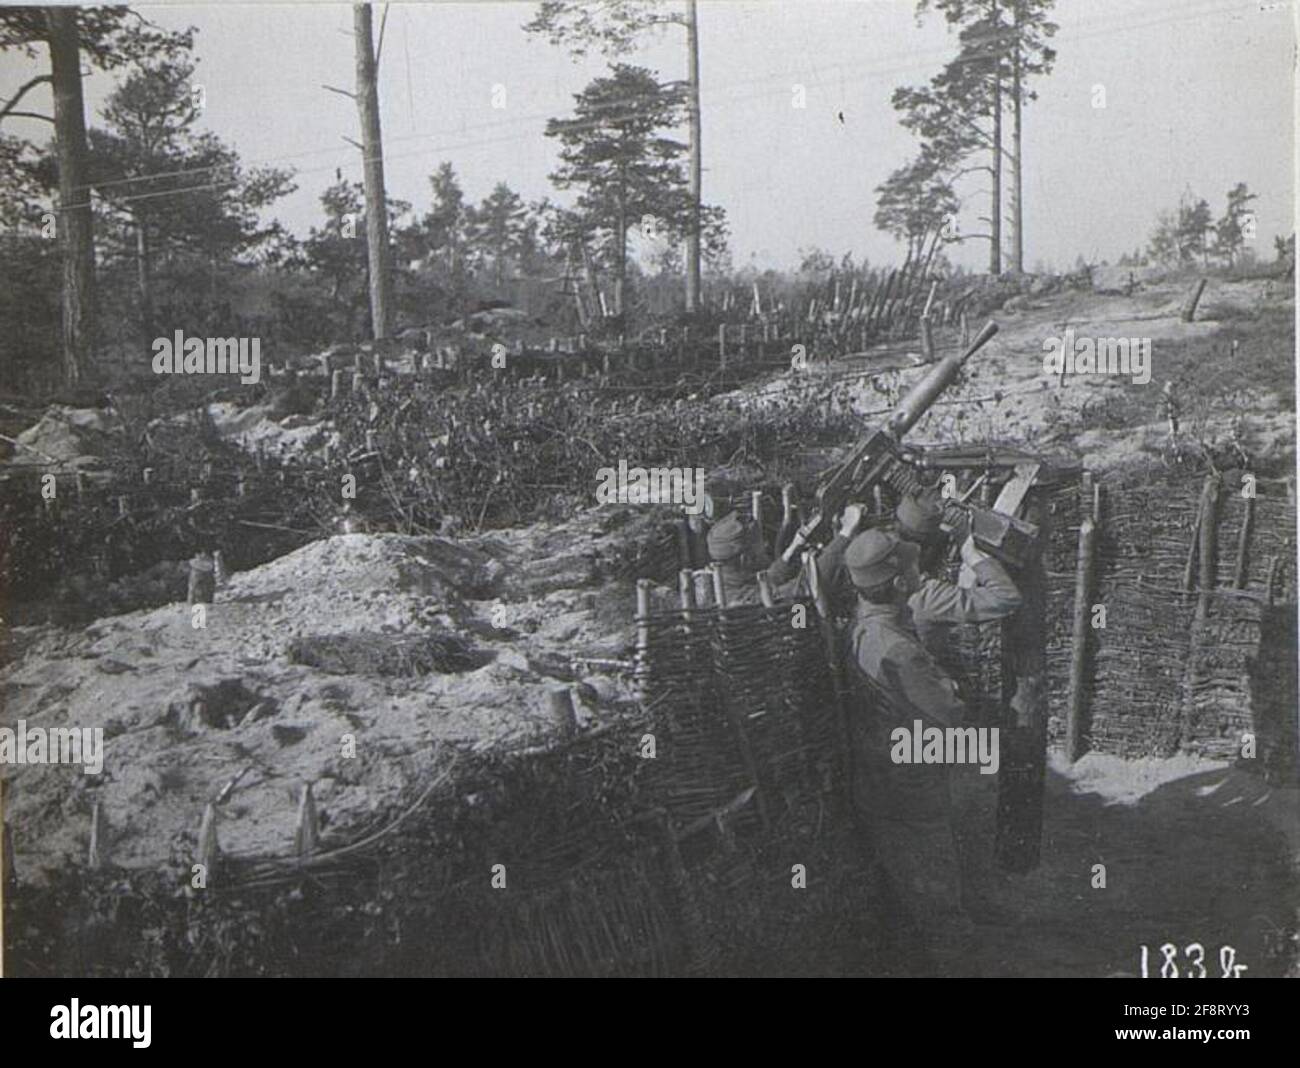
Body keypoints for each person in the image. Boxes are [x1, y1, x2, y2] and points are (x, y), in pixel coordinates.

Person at [840, 527, 979, 976]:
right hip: (910, 793)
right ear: (899, 583)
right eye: (910, 564)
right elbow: (951, 712)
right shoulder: (899, 649)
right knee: (942, 911)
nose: (919, 568)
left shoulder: (859, 630)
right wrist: (951, 686)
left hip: (879, 786)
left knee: (909, 904)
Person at [893, 492, 1023, 674]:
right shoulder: (928, 597)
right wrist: (967, 547)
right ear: (928, 548)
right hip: (929, 684)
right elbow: (1006, 598)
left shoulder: (878, 569)